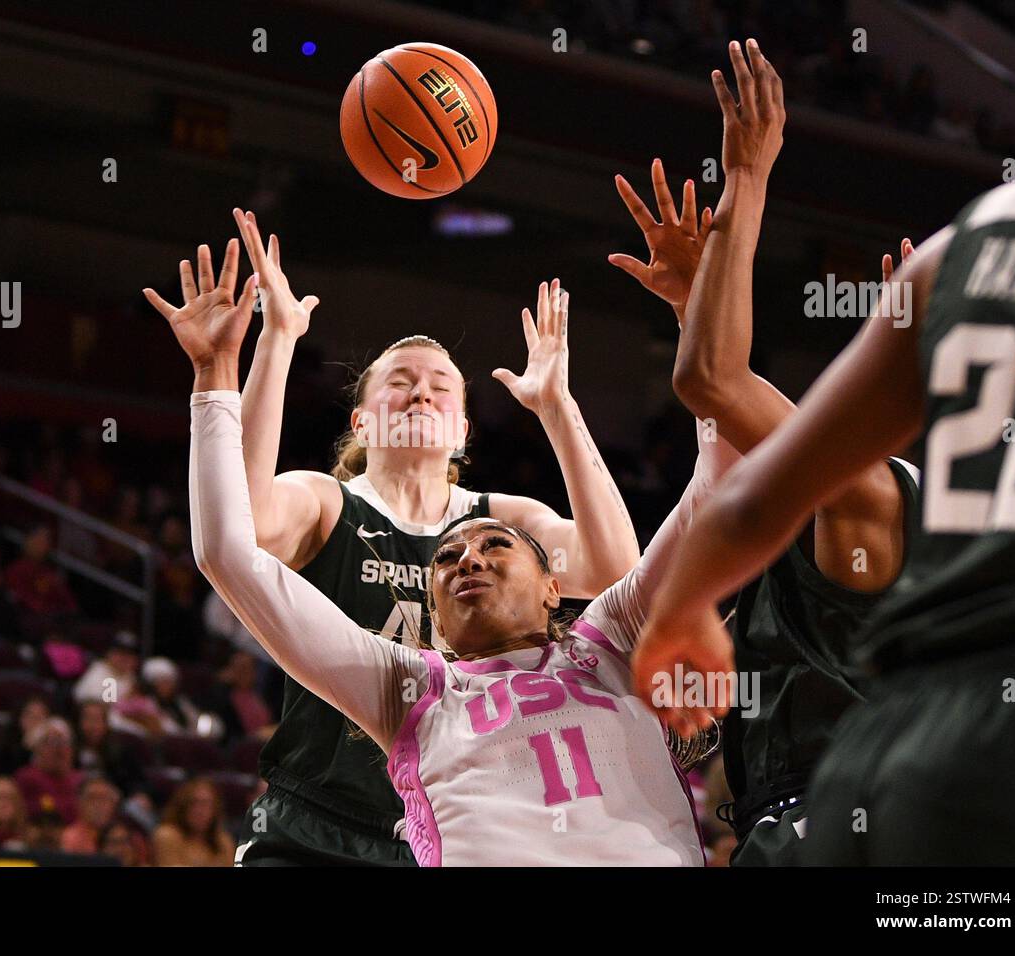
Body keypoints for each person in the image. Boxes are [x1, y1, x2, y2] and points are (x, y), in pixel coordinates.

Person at [634, 55, 1015, 865]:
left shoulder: (974, 239)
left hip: (883, 771)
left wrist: (746, 176)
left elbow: (719, 397)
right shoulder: (885, 498)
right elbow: (721, 389)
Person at [176, 258, 741, 865]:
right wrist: (261, 348)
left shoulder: (507, 522)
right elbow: (240, 533)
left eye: (441, 385)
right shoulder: (328, 507)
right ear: (360, 423)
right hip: (328, 807)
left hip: (442, 817)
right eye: (399, 382)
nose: (421, 391)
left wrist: (557, 404)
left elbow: (616, 569)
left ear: (464, 431)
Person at [612, 41, 917, 864]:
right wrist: (692, 304)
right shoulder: (859, 508)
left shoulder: (871, 494)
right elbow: (728, 420)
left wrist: (744, 181)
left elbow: (713, 378)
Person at [151, 778, 236, 867]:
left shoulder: (223, 842)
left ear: (215, 809)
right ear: (183, 806)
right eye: (194, 803)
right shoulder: (167, 835)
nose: (200, 811)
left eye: (206, 804)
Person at [14, 717, 82, 823]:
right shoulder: (27, 778)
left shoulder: (80, 781)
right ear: (37, 748)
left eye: (65, 742)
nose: (59, 748)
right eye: (52, 742)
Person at [60, 775, 121, 854]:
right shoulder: (70, 839)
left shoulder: (125, 838)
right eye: (92, 798)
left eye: (104, 798)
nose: (98, 804)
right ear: (79, 803)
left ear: (113, 804)